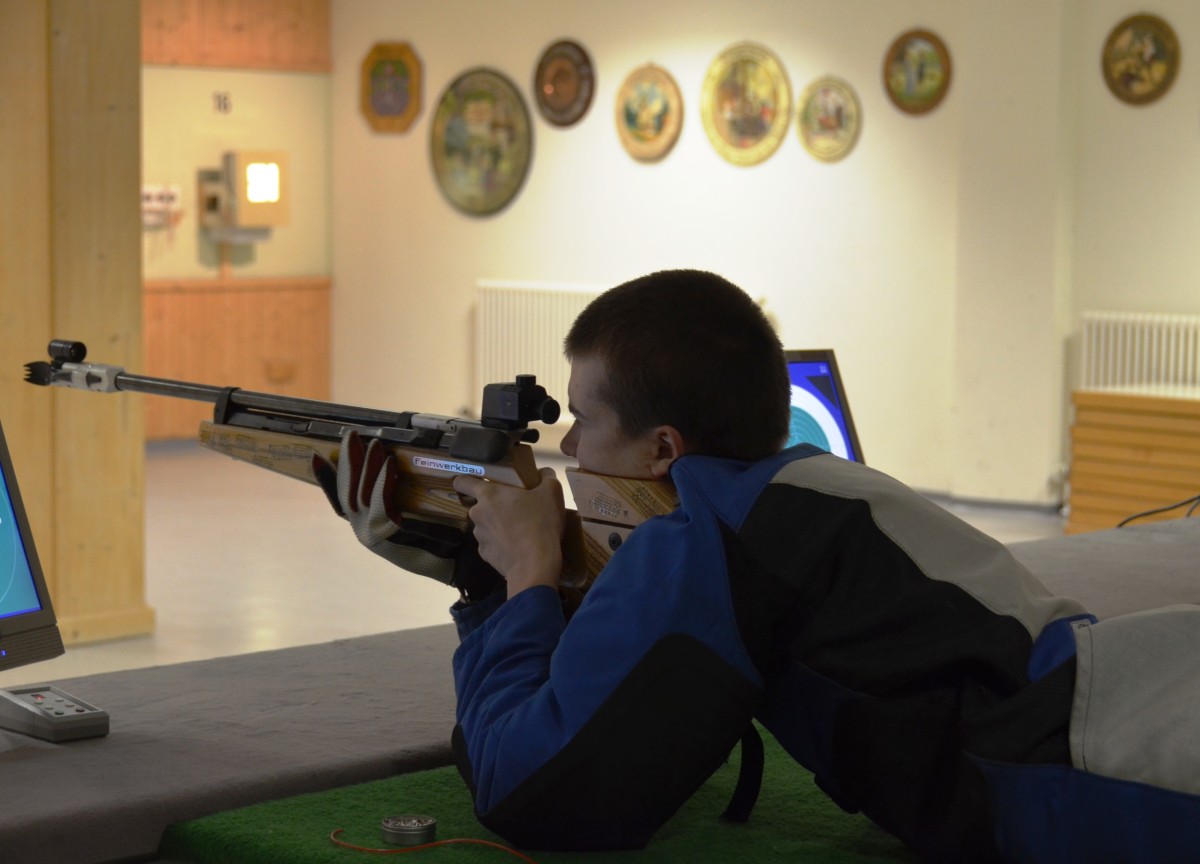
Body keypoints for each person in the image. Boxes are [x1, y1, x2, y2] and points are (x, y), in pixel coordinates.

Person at [318, 270, 1200, 863]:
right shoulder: (809, 488)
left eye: (585, 417)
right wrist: (496, 579)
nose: (569, 444)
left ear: (663, 448)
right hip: (1134, 680)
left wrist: (517, 586)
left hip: (1122, 757)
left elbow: (533, 793)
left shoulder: (707, 540)